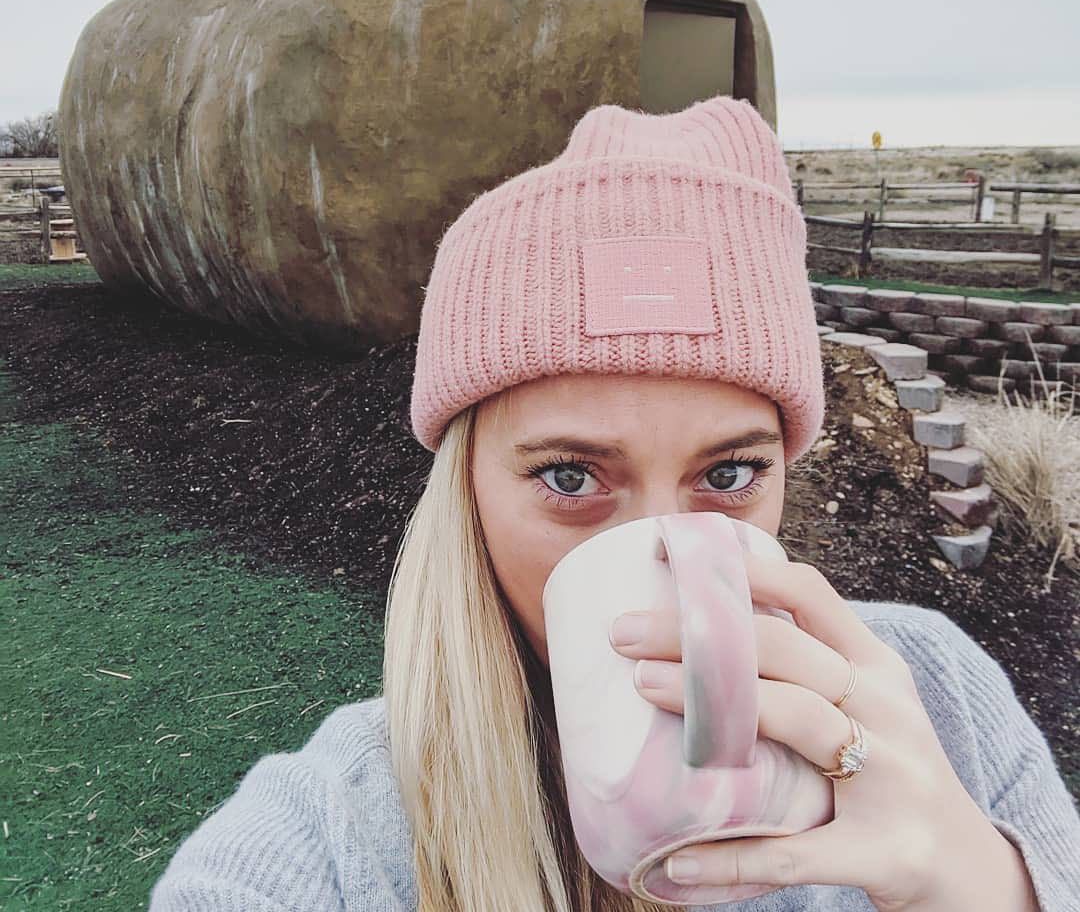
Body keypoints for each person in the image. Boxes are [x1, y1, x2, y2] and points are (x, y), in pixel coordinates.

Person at [150, 97, 1080, 912]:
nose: (660, 559)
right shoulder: (338, 830)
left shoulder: (938, 703)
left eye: (728, 477)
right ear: (466, 492)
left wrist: (981, 887)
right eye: (568, 477)